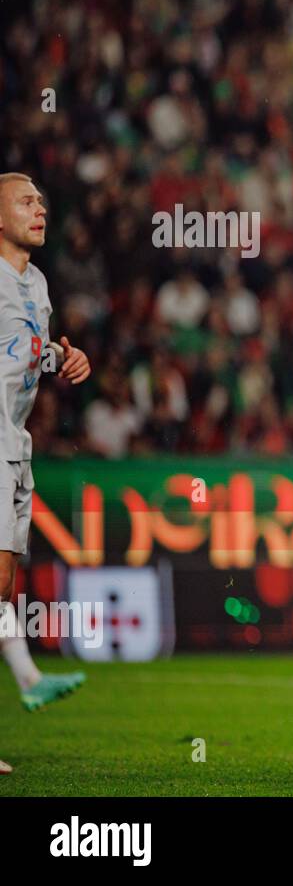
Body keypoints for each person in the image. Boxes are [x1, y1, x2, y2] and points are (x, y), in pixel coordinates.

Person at [0, 173, 93, 776]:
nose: (40, 209)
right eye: (24, 201)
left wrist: (67, 357)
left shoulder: (34, 283)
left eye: (41, 201)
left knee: (4, 584)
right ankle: (28, 674)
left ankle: (28, 674)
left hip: (15, 441)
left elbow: (30, 350)